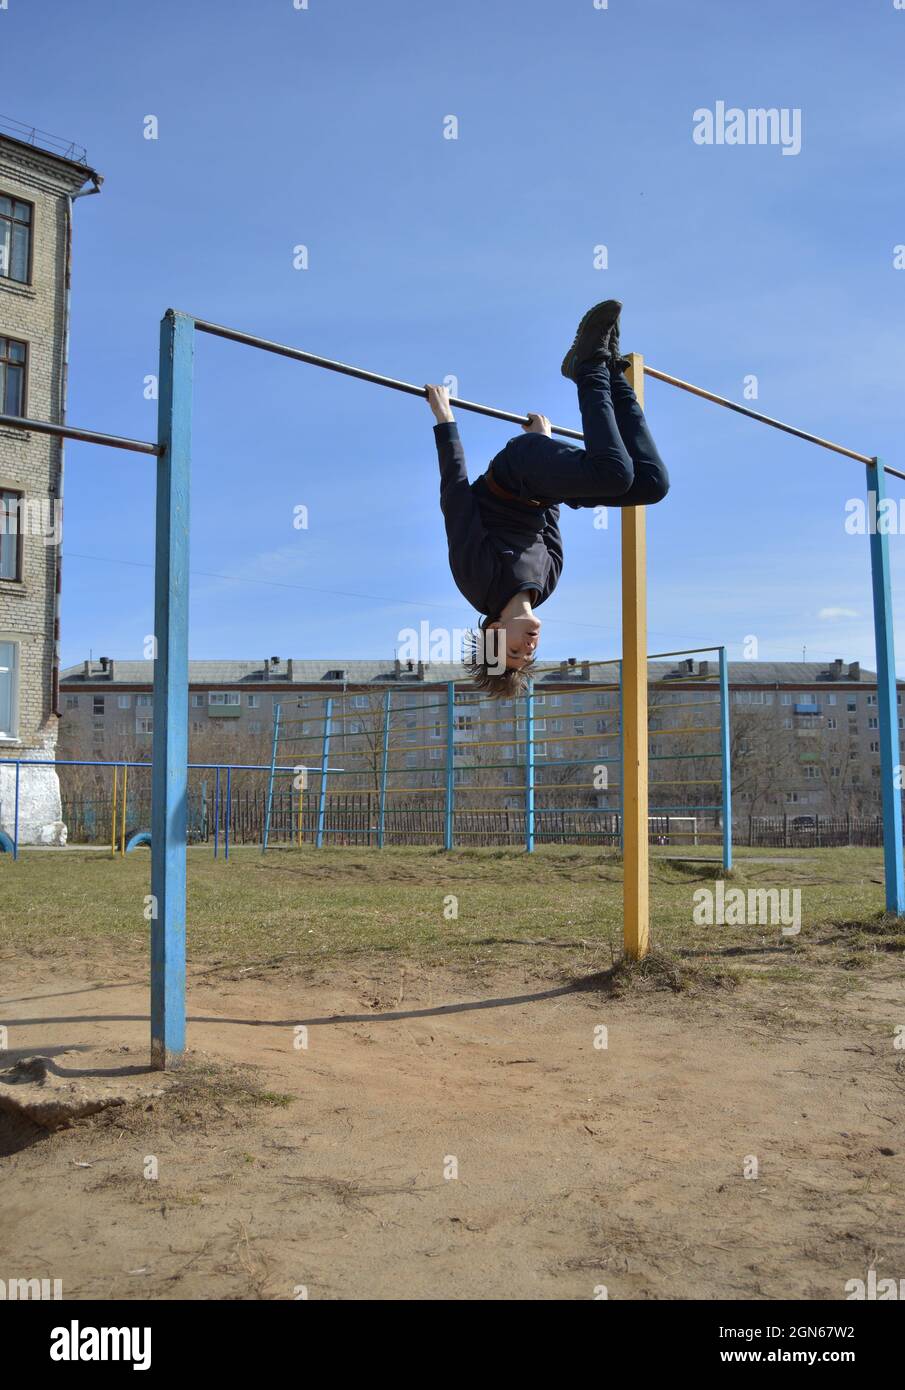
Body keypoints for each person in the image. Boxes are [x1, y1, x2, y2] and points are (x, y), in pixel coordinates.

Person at [426, 299, 670, 697]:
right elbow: (551, 517)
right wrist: (549, 445)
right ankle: (610, 372)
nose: (529, 646)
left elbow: (455, 499)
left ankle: (587, 366)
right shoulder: (548, 583)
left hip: (515, 471)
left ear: (494, 631)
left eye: (515, 651)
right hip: (543, 488)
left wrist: (446, 422)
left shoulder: (478, 581)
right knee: (651, 485)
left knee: (615, 473)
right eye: (529, 655)